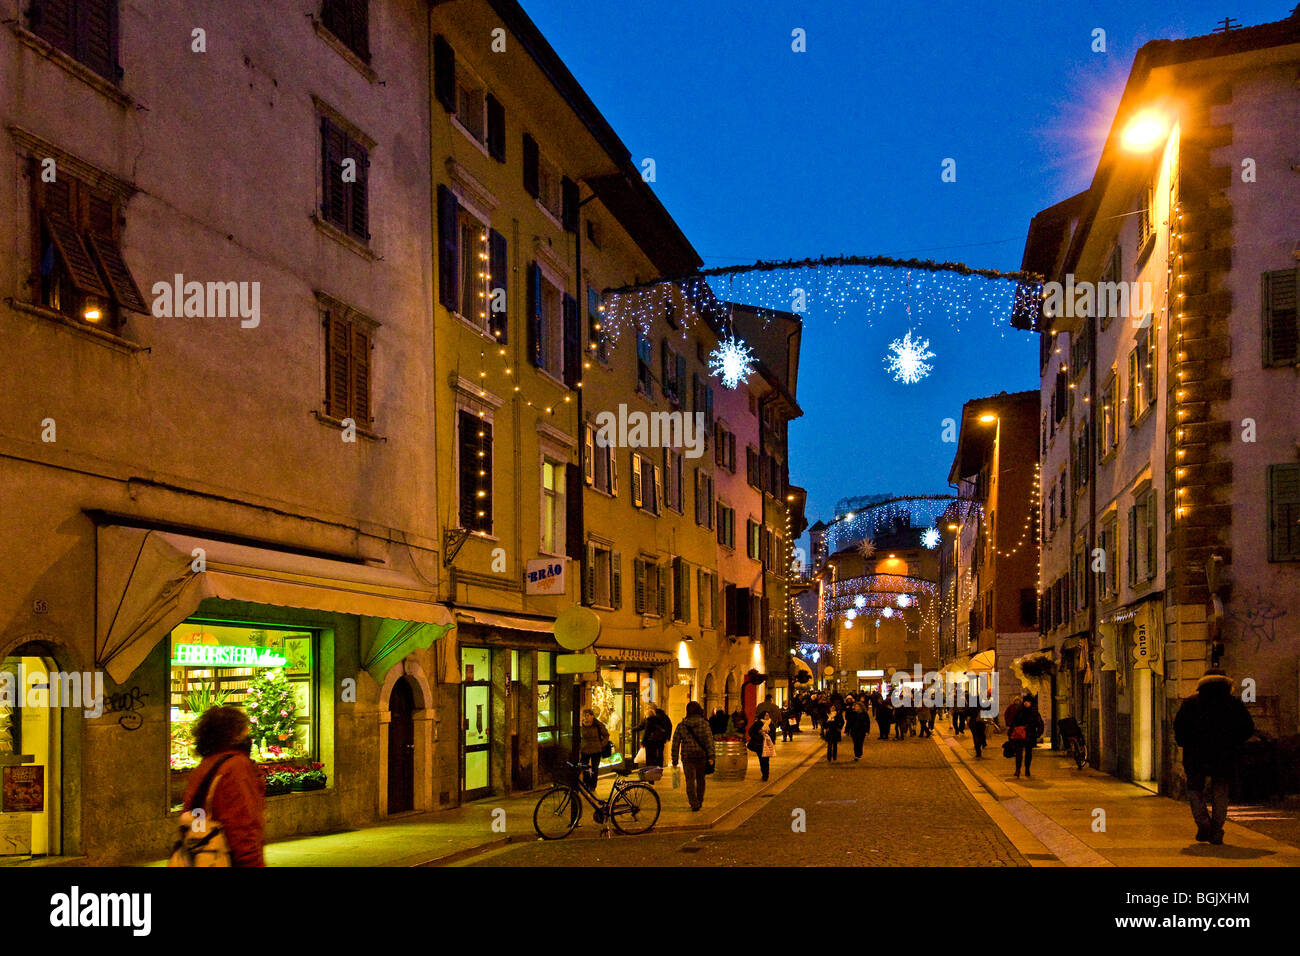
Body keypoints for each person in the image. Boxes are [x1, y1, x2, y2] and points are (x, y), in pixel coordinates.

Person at [1174, 669, 1255, 845]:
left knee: (1194, 788)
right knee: (1221, 790)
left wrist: (1186, 742)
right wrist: (1234, 741)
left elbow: (1179, 728)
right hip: (1224, 754)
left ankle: (1203, 822)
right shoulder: (1233, 704)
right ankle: (1217, 830)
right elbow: (1248, 728)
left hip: (1196, 753)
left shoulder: (1191, 703)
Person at [182, 706, 266, 866]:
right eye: (245, 728)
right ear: (234, 734)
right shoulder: (236, 767)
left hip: (202, 857)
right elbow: (243, 824)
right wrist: (251, 861)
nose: (248, 732)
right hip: (226, 858)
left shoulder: (204, 766)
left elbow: (194, 814)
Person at [671, 701, 716, 811]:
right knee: (701, 780)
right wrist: (711, 756)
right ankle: (699, 800)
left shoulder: (682, 725)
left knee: (690, 781)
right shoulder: (704, 724)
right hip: (701, 756)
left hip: (687, 757)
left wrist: (674, 759)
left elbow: (675, 743)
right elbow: (709, 740)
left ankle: (693, 803)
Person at [1009, 694, 1044, 778]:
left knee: (1028, 752)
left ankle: (1027, 769)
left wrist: (1038, 733)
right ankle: (1018, 769)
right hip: (1020, 735)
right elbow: (1014, 722)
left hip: (1030, 735)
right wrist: (1011, 732)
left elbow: (1040, 723)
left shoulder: (1034, 713)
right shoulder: (1020, 711)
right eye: (1025, 701)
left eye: (1028, 701)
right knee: (1018, 752)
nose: (1026, 703)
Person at [635, 706, 673, 773]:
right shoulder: (663, 717)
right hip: (661, 739)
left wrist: (643, 742)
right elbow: (669, 726)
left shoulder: (650, 719)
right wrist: (667, 737)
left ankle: (651, 769)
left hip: (651, 741)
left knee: (650, 756)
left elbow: (646, 731)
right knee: (660, 753)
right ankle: (659, 767)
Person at [578, 709, 610, 788]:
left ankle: (593, 785)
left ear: (592, 716)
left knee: (595, 768)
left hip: (596, 750)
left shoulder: (598, 725)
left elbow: (606, 735)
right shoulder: (581, 725)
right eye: (584, 715)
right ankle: (586, 782)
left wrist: (601, 745)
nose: (586, 717)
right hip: (585, 749)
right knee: (584, 767)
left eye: (588, 715)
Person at [748, 713, 777, 781]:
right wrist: (759, 735)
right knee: (761, 760)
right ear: (762, 716)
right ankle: (764, 774)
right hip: (759, 745)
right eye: (766, 715)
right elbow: (751, 732)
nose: (767, 716)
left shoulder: (771, 723)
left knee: (766, 760)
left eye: (768, 715)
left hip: (767, 744)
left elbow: (773, 733)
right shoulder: (757, 723)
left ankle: (766, 775)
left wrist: (770, 738)